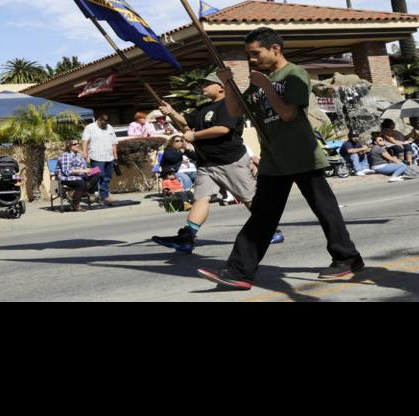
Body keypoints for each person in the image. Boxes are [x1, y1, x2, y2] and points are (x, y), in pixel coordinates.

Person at [197, 28, 365, 289]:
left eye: (256, 53)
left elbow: (288, 114)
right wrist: (228, 83)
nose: (252, 59)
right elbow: (236, 110)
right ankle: (239, 271)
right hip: (273, 158)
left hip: (301, 154)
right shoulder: (259, 79)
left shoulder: (294, 74)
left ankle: (347, 258)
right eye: (249, 54)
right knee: (262, 216)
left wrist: (266, 86)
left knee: (325, 209)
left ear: (275, 48)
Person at [153, 71, 284, 254]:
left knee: (248, 198)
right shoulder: (203, 108)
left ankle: (271, 231)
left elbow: (223, 129)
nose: (203, 87)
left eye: (207, 84)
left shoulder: (230, 105)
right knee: (201, 198)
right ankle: (187, 238)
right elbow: (186, 121)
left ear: (221, 87)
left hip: (230, 161)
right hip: (207, 163)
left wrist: (195, 136)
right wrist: (172, 112)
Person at [81, 114, 119, 206]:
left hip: (109, 156)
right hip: (96, 156)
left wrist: (115, 154)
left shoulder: (110, 127)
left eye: (106, 123)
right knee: (97, 175)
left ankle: (104, 195)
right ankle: (93, 192)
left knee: (107, 176)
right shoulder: (89, 127)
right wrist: (84, 152)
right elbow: (85, 141)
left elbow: (114, 142)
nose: (104, 125)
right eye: (103, 123)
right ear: (99, 120)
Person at [56, 141, 100, 211]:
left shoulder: (78, 155)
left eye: (78, 144)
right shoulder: (66, 155)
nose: (77, 145)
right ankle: (75, 204)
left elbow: (86, 163)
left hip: (80, 175)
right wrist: (83, 171)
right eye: (75, 144)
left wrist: (87, 170)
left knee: (96, 173)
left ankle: (74, 193)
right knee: (81, 182)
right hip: (66, 177)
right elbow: (67, 171)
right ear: (69, 146)